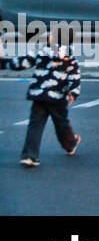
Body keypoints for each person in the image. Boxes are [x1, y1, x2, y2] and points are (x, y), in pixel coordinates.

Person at [1, 32, 81, 168]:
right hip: (57, 97)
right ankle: (70, 144)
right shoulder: (70, 57)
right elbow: (74, 77)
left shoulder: (41, 51)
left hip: (38, 94)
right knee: (61, 124)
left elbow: (23, 62)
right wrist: (73, 92)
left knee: (35, 125)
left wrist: (3, 63)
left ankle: (30, 156)